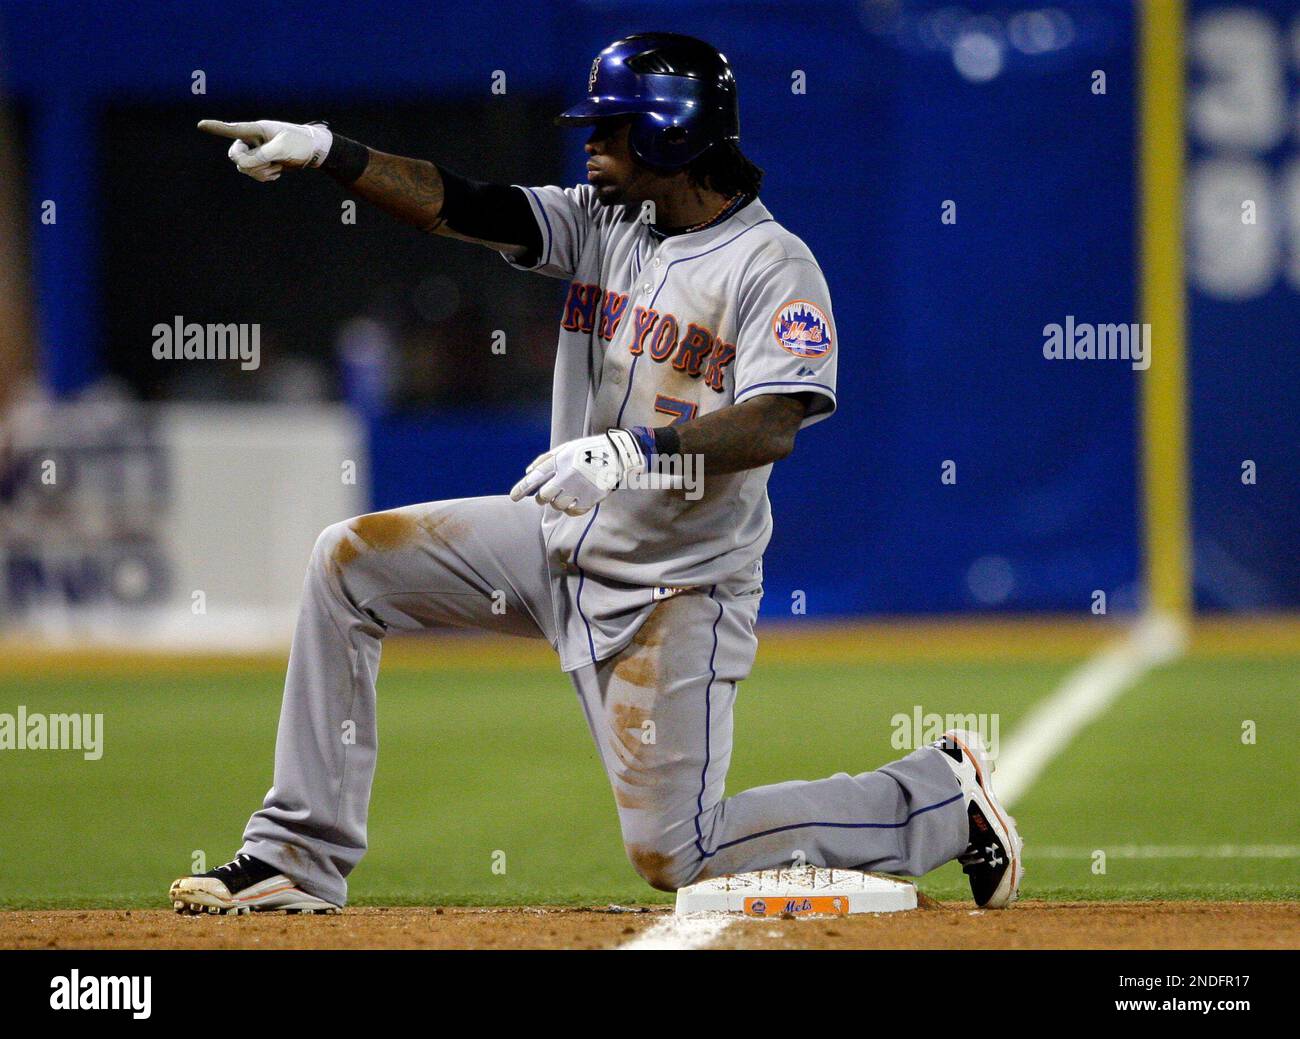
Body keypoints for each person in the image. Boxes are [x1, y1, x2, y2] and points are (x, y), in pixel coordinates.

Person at [171, 32, 1021, 916]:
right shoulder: (606, 221)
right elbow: (461, 205)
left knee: (677, 855)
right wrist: (330, 153)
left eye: (611, 130)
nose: (590, 145)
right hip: (552, 543)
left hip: (673, 586)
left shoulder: (772, 265)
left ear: (672, 136)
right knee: (348, 563)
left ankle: (937, 795)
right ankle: (294, 856)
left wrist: (638, 450)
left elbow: (775, 422)